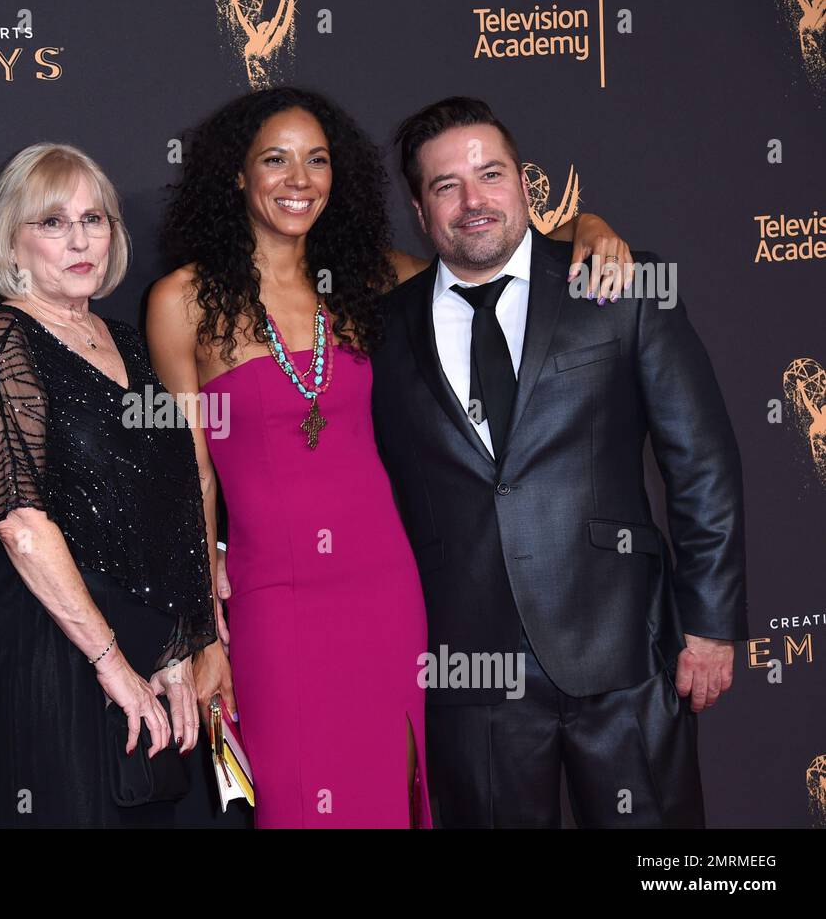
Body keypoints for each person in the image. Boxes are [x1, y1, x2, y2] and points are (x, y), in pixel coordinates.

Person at [147, 86, 632, 828]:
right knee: (299, 797)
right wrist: (202, 630)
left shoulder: (378, 280)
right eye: (274, 160)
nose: (298, 179)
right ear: (236, 176)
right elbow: (192, 475)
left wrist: (587, 224)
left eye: (317, 160)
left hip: (388, 588)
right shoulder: (181, 301)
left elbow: (494, 253)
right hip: (270, 596)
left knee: (390, 791)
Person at [371, 96, 747, 827]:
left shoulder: (617, 285)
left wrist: (710, 623)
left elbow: (701, 464)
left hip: (625, 653)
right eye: (447, 185)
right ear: (420, 210)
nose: (473, 200)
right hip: (470, 672)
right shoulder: (381, 334)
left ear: (524, 182)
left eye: (491, 174)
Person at [0, 143, 217, 827]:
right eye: (52, 223)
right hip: (48, 647)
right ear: (10, 238)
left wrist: (174, 649)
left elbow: (175, 494)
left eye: (94, 220)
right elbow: (18, 520)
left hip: (138, 647)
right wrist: (109, 661)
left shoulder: (126, 340)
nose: (79, 240)